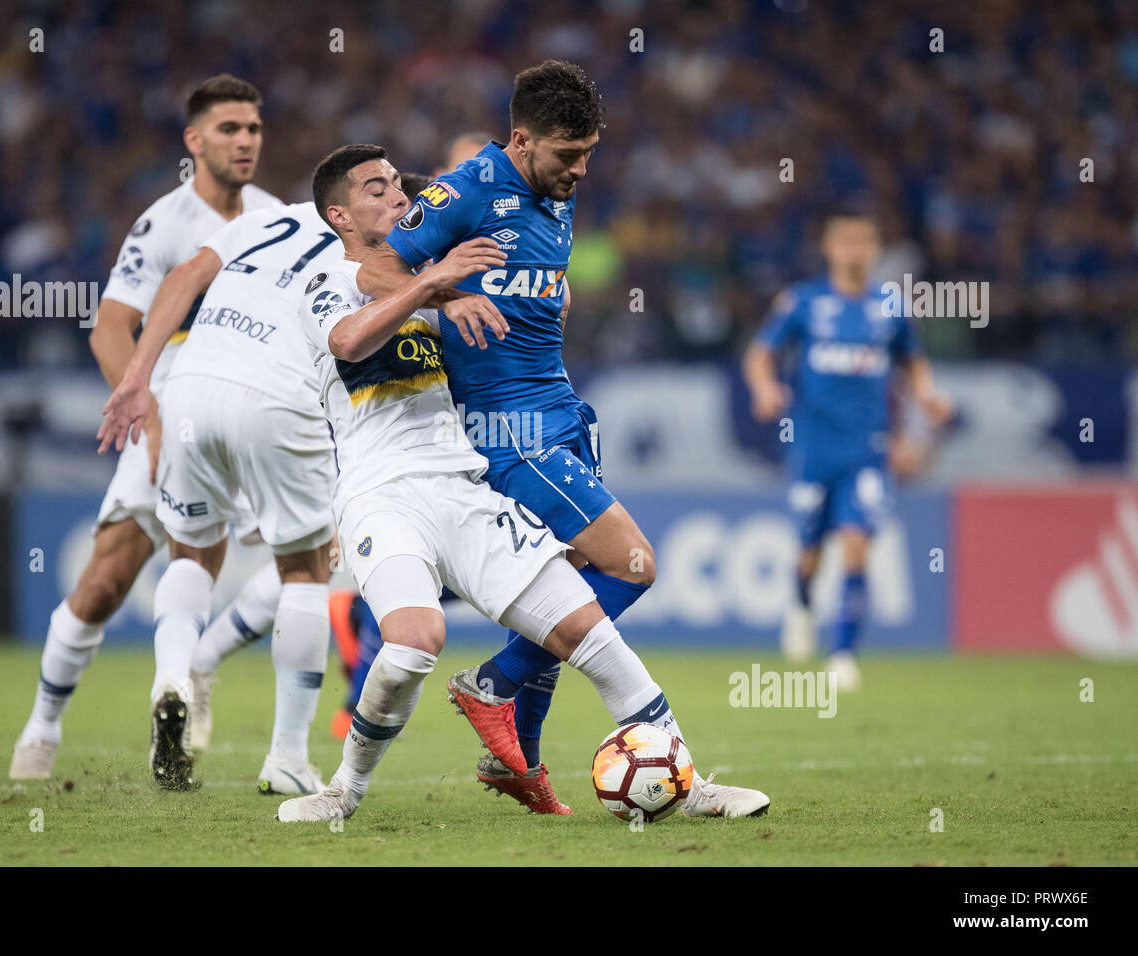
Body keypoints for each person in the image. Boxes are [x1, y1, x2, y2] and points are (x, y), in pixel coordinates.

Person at [275, 144, 769, 823]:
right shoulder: (325, 281)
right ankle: (344, 790)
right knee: (416, 640)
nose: (395, 196)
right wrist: (435, 284)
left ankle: (687, 783)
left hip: (465, 486)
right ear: (338, 214)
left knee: (589, 631)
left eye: (397, 185)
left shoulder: (432, 279)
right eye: (374, 189)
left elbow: (522, 307)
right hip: (381, 493)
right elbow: (349, 343)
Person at [354, 61, 654, 813]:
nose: (581, 170)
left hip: (558, 411)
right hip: (507, 431)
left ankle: (518, 767)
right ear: (520, 140)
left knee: (558, 586)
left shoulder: (553, 189)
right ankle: (491, 682)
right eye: (566, 156)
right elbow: (372, 268)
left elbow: (528, 276)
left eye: (589, 153)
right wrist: (444, 296)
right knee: (632, 564)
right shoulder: (467, 189)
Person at [9, 74, 285, 780]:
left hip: (246, 409)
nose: (245, 140)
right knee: (105, 581)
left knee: (253, 559)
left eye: (253, 128)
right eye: (229, 129)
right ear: (194, 142)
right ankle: (42, 727)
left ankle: (194, 682)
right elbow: (110, 329)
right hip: (170, 404)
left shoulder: (274, 213)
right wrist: (144, 407)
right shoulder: (165, 223)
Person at [97, 196, 344, 791]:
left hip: (189, 389)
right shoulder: (387, 241)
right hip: (278, 398)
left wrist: (136, 378)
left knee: (192, 553)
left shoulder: (268, 218)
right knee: (307, 572)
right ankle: (287, 758)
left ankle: (174, 676)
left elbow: (183, 276)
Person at [742, 209, 953, 690]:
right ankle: (800, 605)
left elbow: (913, 363)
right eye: (846, 241)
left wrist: (927, 397)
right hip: (813, 450)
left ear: (875, 248)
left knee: (857, 543)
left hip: (869, 448)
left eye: (864, 241)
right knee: (811, 551)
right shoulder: (803, 301)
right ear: (830, 247)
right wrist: (765, 388)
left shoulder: (891, 306)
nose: (855, 251)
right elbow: (760, 354)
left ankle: (842, 655)